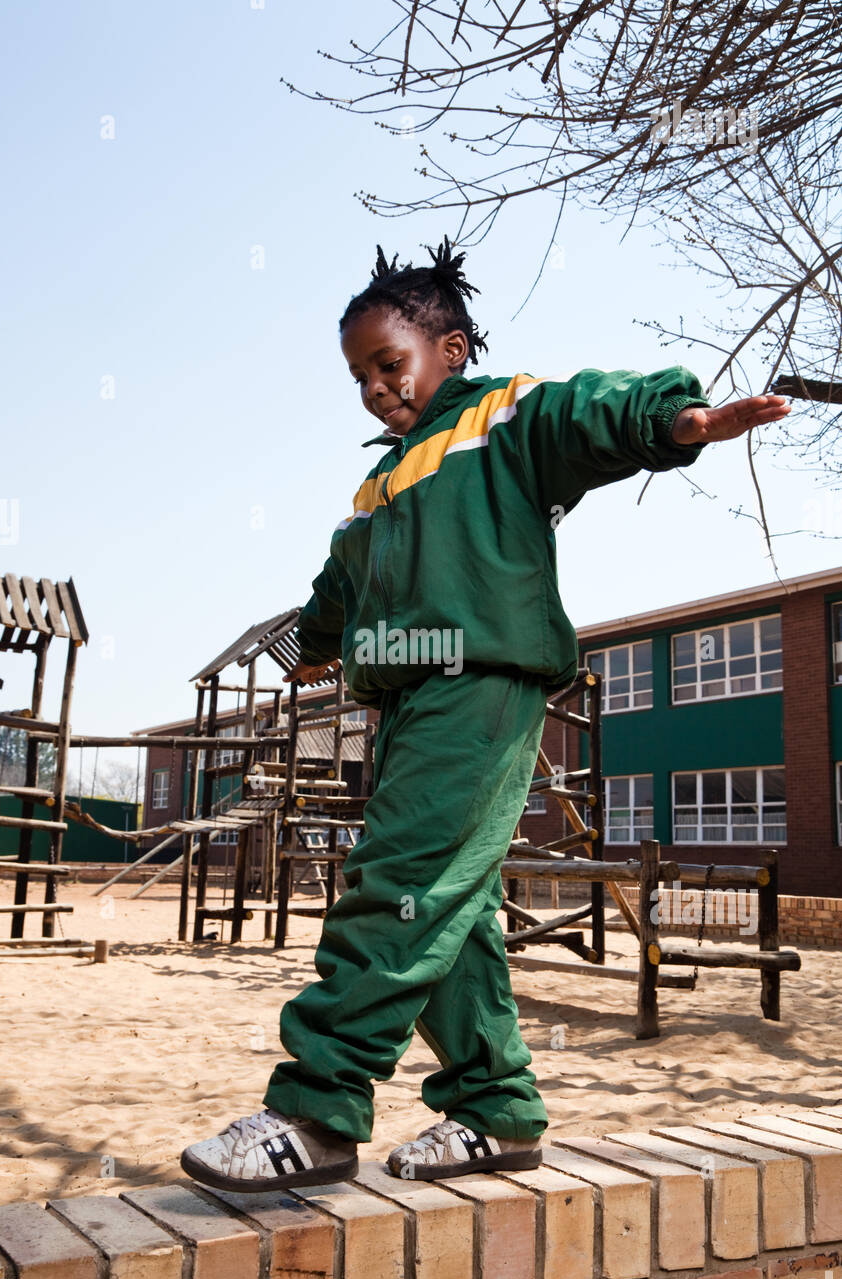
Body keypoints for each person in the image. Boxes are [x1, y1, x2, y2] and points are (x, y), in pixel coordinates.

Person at [180, 236, 790, 1193]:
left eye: (391, 364)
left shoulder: (501, 420)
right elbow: (336, 593)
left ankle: (318, 1111)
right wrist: (314, 649)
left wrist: (675, 419)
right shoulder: (375, 490)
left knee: (397, 886)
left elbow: (584, 410)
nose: (378, 388)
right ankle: (496, 1111)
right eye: (360, 378)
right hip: (405, 702)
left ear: (450, 349)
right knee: (448, 910)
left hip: (480, 687)